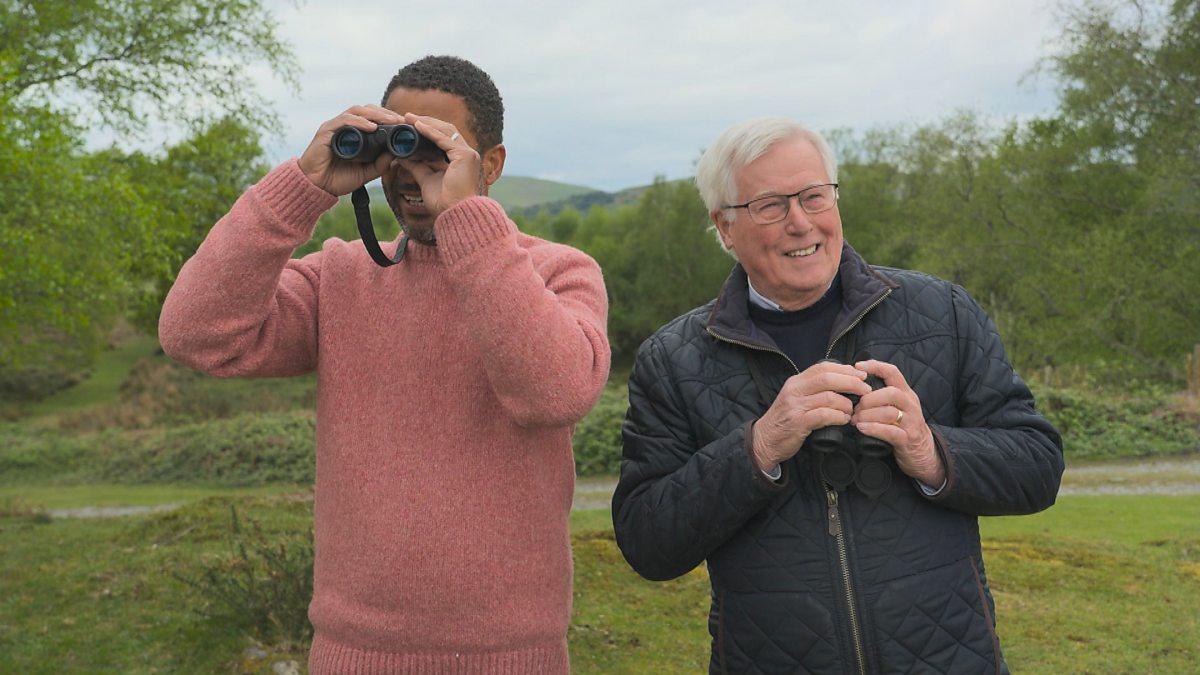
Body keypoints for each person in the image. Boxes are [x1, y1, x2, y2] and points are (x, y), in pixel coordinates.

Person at [159, 55, 610, 673]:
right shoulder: (341, 277)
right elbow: (196, 333)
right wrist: (300, 187)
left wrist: (466, 223)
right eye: (398, 143)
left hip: (511, 654)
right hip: (351, 651)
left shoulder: (560, 272)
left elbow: (552, 393)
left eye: (436, 149)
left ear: (491, 165)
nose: (410, 169)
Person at [611, 117, 1063, 674]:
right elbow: (647, 543)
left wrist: (931, 451)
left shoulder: (942, 313)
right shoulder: (673, 359)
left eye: (814, 196)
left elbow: (1039, 467)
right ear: (724, 226)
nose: (801, 223)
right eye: (770, 206)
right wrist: (758, 447)